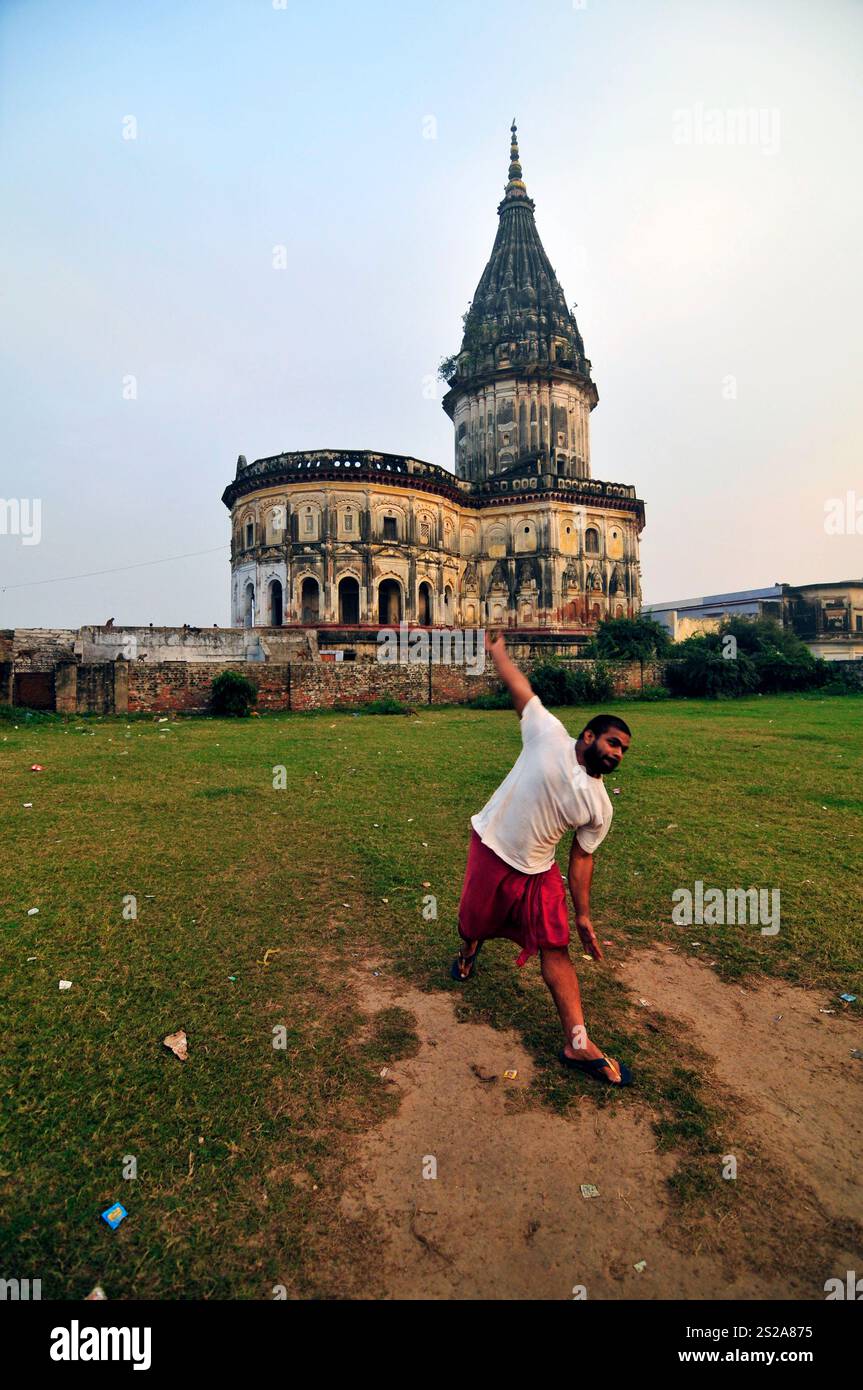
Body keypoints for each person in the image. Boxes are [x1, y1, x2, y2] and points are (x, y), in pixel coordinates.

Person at [451, 630, 633, 1086]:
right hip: (492, 847)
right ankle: (470, 948)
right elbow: (521, 689)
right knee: (472, 923)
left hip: (538, 870)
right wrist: (497, 653)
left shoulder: (600, 807)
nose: (616, 754)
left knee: (556, 946)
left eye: (624, 750)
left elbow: (582, 860)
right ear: (589, 735)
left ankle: (577, 1042)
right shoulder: (547, 733)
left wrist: (585, 915)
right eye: (612, 743)